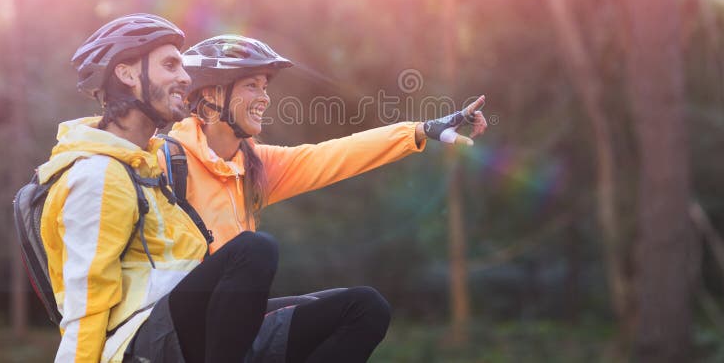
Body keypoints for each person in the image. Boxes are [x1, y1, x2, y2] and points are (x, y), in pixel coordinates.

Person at [168, 34, 488, 362]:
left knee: (365, 308)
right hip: (172, 327)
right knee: (256, 248)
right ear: (211, 94)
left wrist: (420, 130)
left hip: (227, 329)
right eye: (252, 85)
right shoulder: (163, 158)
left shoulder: (254, 167)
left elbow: (334, 156)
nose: (264, 98)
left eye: (265, 87)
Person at [39, 14, 281, 363]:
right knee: (254, 251)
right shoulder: (99, 175)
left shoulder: (147, 165)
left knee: (359, 309)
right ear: (126, 73)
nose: (185, 77)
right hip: (138, 344)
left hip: (176, 330)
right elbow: (85, 308)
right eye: (170, 65)